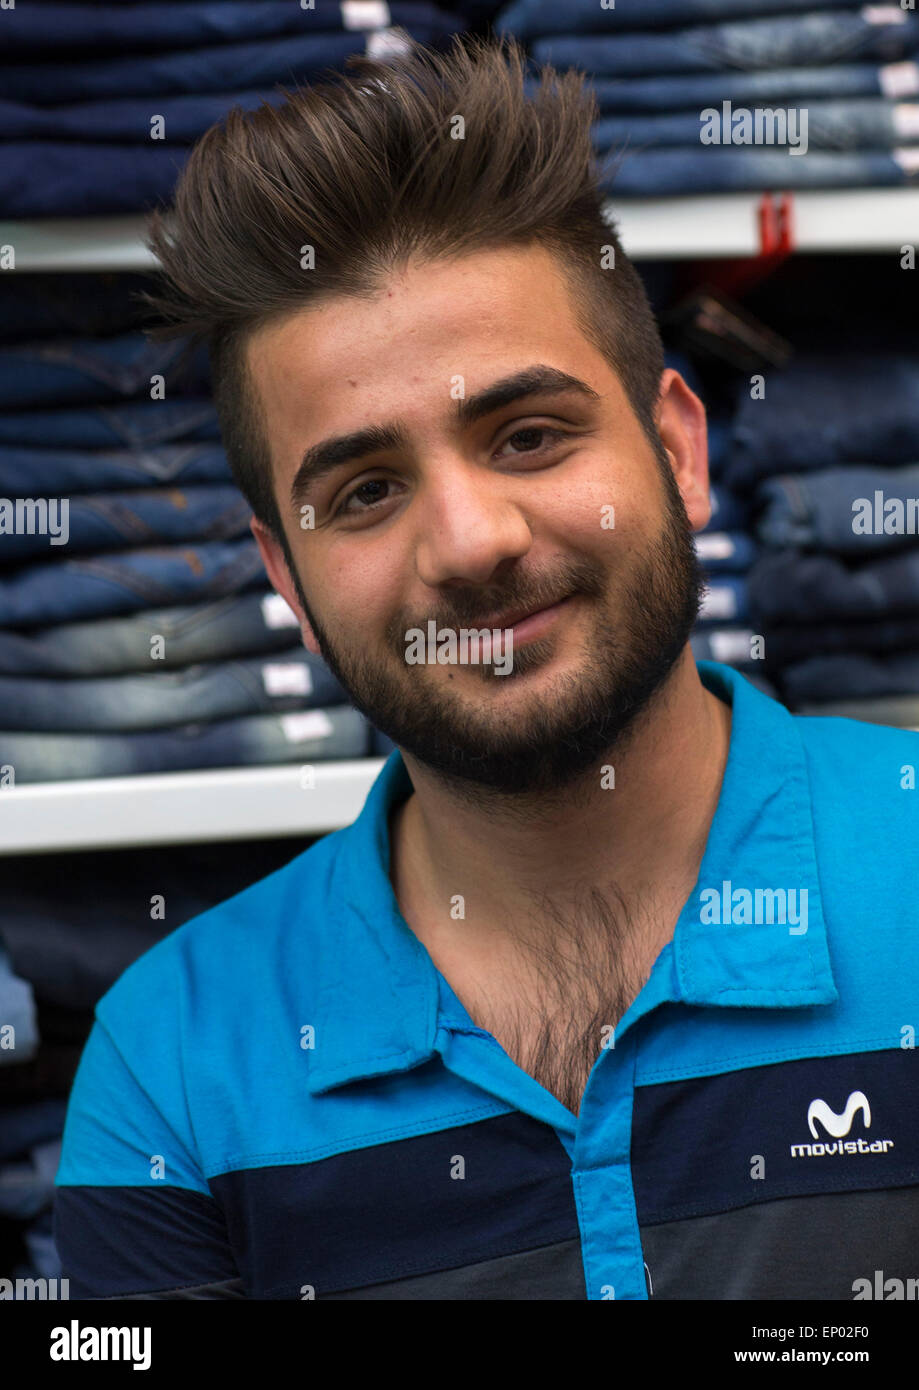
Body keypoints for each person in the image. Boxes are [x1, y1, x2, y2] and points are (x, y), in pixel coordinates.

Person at [54, 35, 919, 1301]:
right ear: (286, 578)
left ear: (679, 453)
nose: (470, 542)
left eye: (527, 433)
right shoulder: (172, 1068)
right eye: (364, 491)